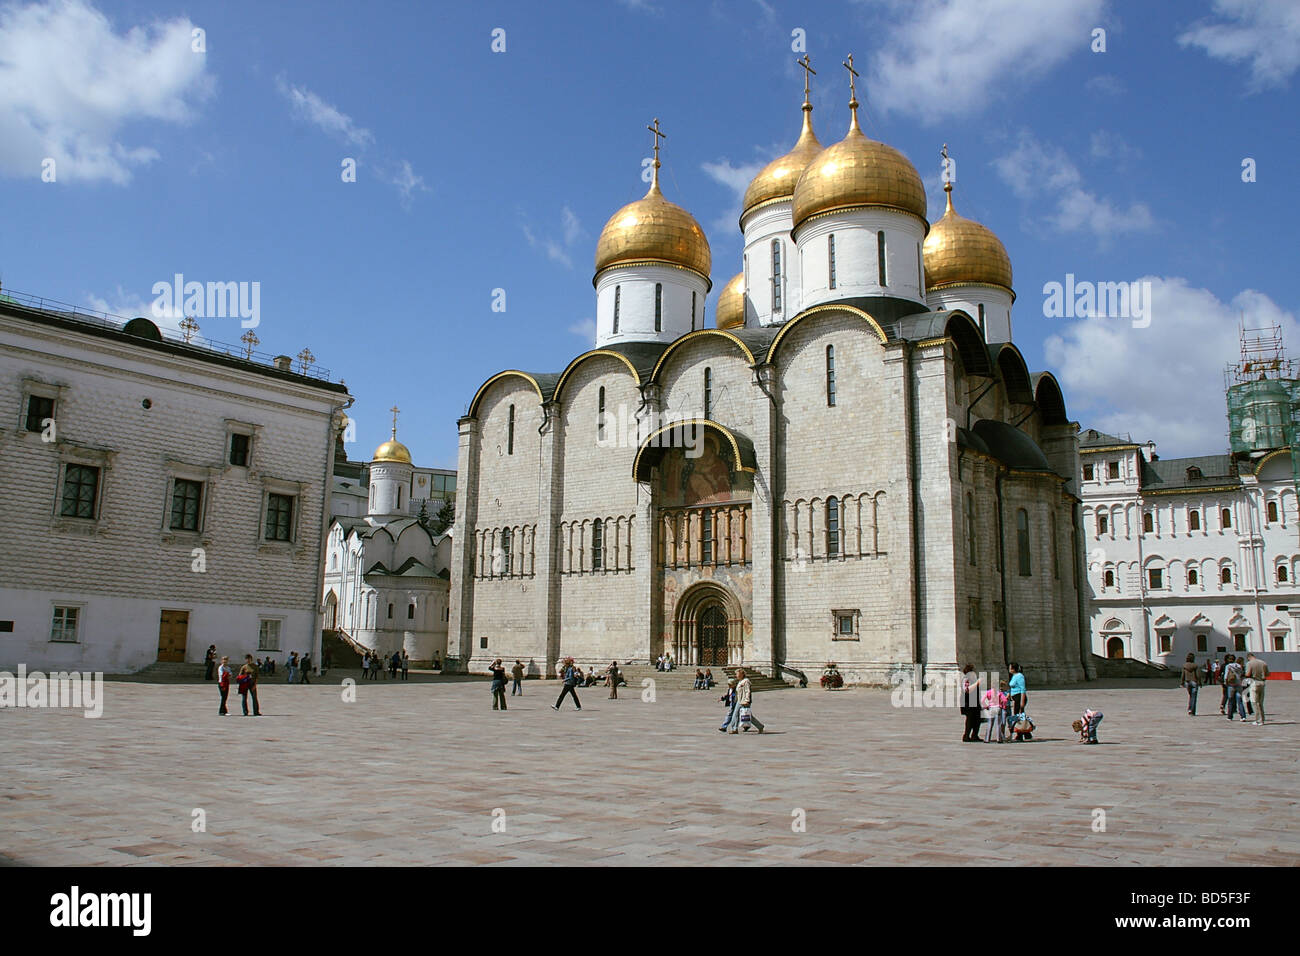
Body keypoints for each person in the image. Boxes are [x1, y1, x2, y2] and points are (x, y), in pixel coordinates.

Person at [731, 668, 764, 733]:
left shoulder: (746, 681)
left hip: (744, 701)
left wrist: (747, 700)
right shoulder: (740, 681)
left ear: (741, 674)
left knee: (748, 716)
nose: (736, 675)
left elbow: (747, 691)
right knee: (736, 714)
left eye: (737, 674)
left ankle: (760, 726)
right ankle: (734, 728)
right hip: (739, 701)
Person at [1244, 652, 1269, 725]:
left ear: (1248, 657)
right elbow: (1267, 674)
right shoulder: (1263, 663)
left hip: (1254, 683)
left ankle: (1257, 720)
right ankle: (1262, 719)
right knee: (1260, 703)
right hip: (1262, 683)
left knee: (1254, 702)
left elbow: (1248, 674)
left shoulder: (1249, 663)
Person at [959, 664, 982, 742]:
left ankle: (974, 735)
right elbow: (967, 690)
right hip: (968, 703)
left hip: (974, 702)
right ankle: (966, 736)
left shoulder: (972, 679)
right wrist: (977, 684)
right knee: (970, 720)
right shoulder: (966, 679)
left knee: (977, 719)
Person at [1223, 655, 1247, 721]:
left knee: (1230, 701)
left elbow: (1226, 675)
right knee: (1240, 701)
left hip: (1231, 685)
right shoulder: (1239, 666)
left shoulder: (1228, 666)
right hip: (1238, 684)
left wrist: (1225, 682)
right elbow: (1242, 674)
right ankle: (1243, 716)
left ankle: (1230, 716)